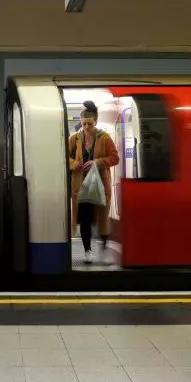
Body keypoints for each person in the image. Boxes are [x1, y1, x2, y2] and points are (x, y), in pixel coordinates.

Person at [68, 101, 120, 264]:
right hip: (81, 186)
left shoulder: (105, 138)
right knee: (84, 219)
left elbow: (115, 158)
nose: (86, 127)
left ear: (95, 122)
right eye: (83, 124)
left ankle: (104, 249)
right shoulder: (74, 138)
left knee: (103, 220)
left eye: (89, 124)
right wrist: (74, 164)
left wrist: (97, 161)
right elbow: (65, 158)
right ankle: (87, 251)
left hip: (99, 185)